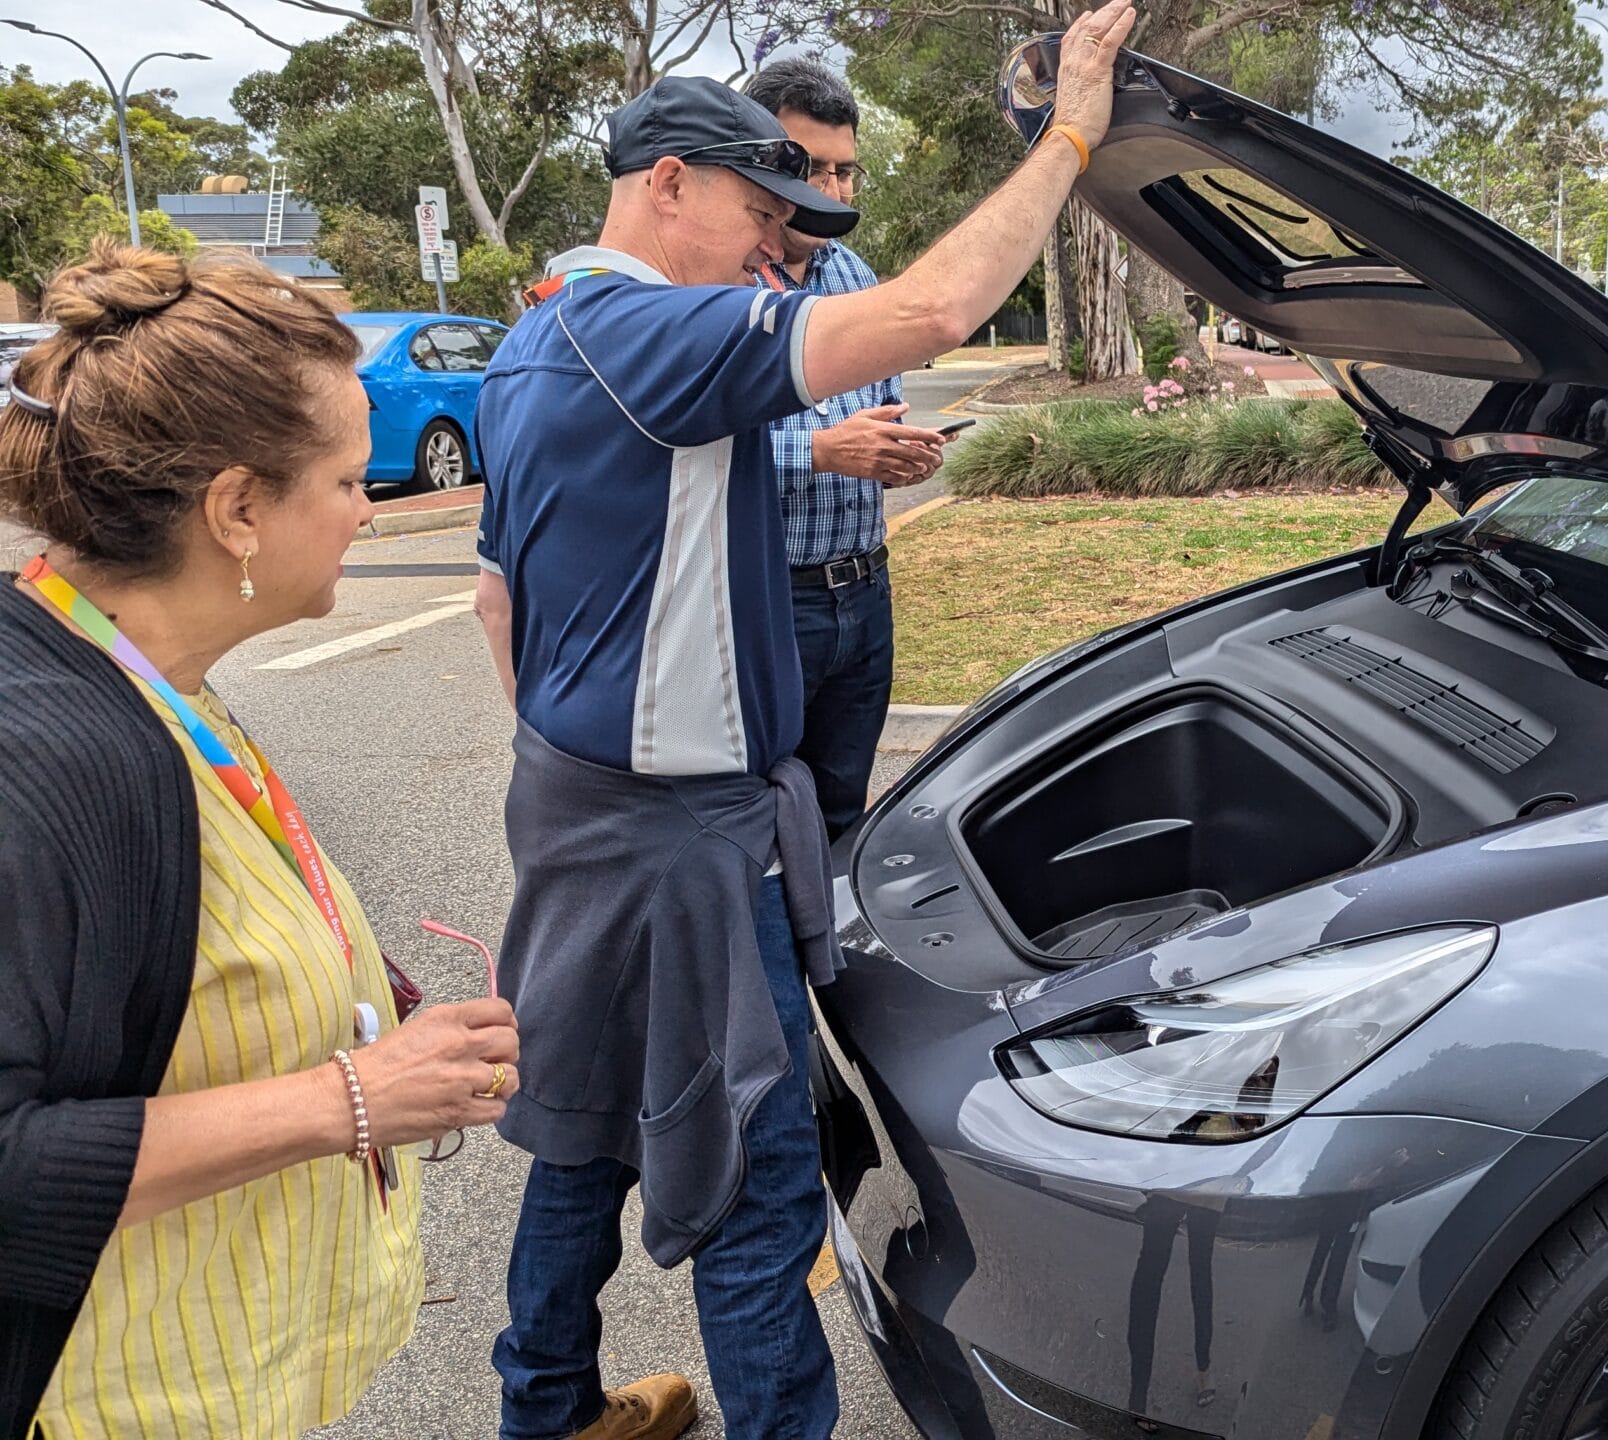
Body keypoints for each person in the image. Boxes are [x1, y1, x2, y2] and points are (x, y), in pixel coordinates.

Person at [467, 5, 1136, 1436]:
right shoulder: (652, 323)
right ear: (665, 189)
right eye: (757, 209)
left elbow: (492, 607)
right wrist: (1073, 126)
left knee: (582, 1131)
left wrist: (588, 752)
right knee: (762, 1179)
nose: (776, 245)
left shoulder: (534, 341)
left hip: (578, 814)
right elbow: (937, 312)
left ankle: (550, 1404)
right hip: (678, 846)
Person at [0, 241, 522, 1440]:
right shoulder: (44, 762)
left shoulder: (140, 673)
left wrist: (380, 1021)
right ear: (236, 508)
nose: (365, 509)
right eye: (346, 481)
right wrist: (350, 1093)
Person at [742, 55, 948, 842]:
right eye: (808, 169)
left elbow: (878, 410)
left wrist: (900, 453)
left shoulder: (854, 273)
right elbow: (686, 457)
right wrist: (821, 452)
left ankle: (832, 964)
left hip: (863, 593)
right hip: (769, 600)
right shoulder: (718, 287)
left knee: (840, 820)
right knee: (760, 824)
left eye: (845, 172)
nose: (830, 193)